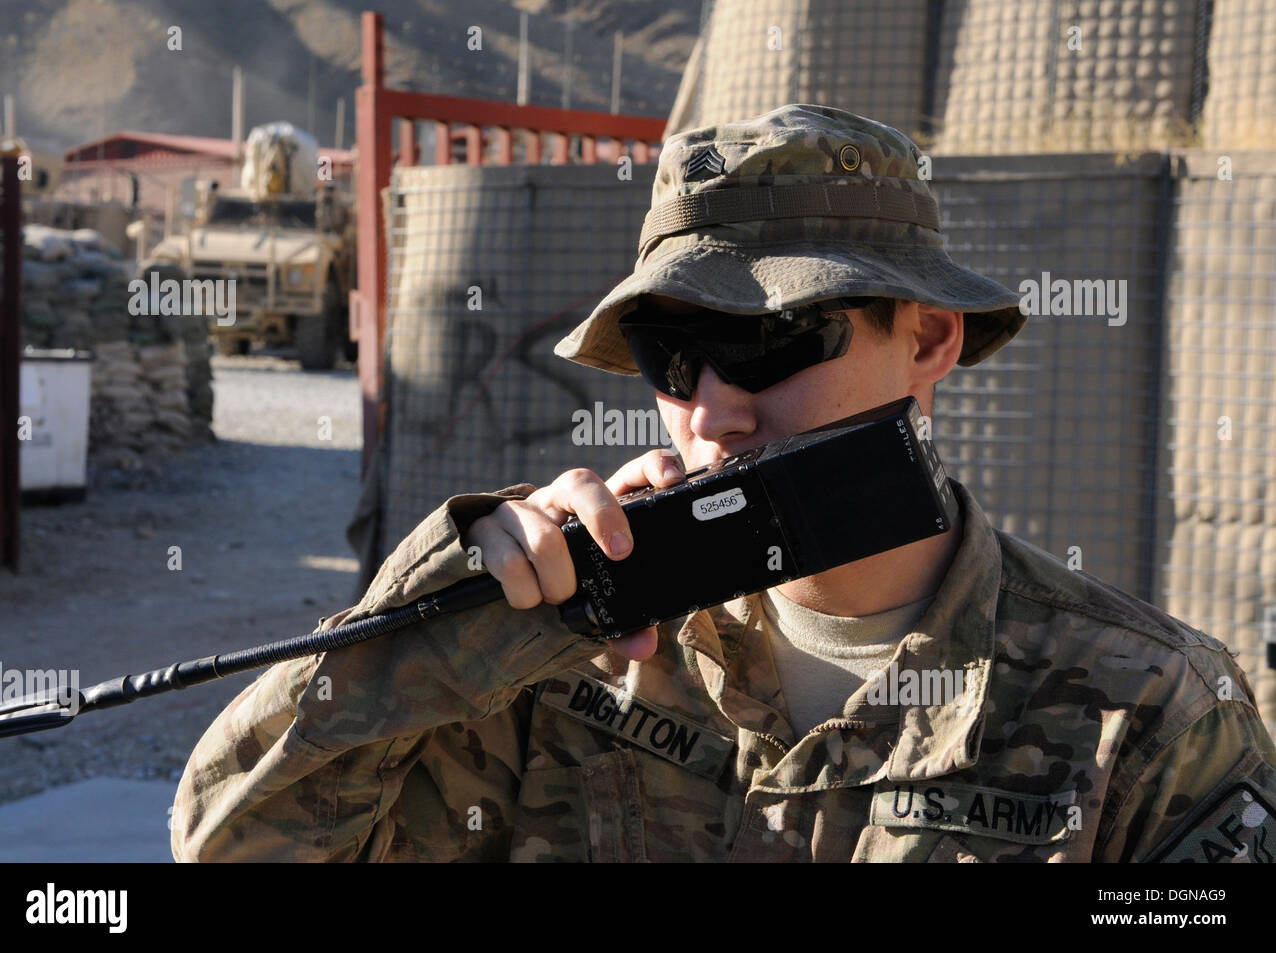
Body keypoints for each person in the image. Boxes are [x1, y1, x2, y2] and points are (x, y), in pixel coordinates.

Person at [171, 104, 1276, 862]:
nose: (711, 412)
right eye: (671, 357)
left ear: (930, 339)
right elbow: (232, 845)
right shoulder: (551, 669)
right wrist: (438, 621)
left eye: (774, 340)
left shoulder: (1142, 705)